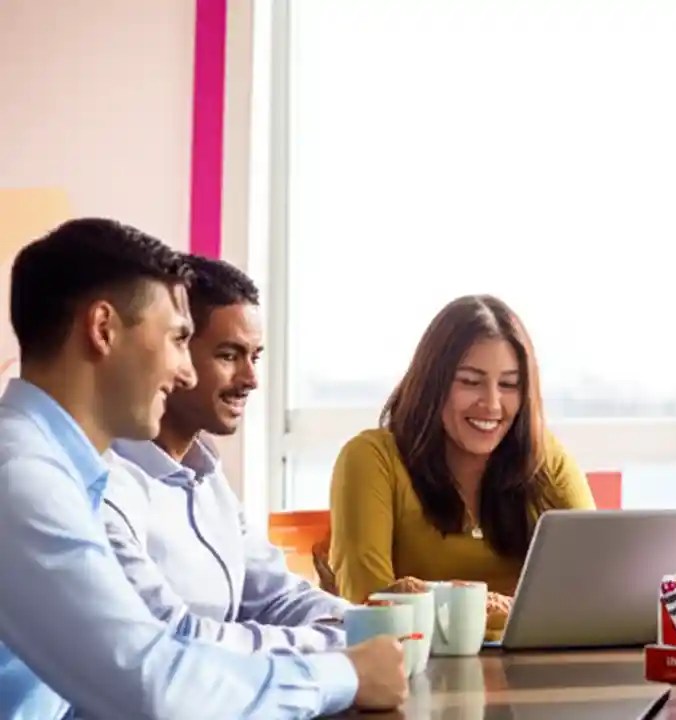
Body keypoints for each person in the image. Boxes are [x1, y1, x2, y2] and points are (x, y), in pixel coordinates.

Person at [0, 218, 405, 718]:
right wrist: (346, 673)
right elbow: (155, 682)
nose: (186, 371)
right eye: (176, 339)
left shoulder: (58, 469)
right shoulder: (21, 477)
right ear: (103, 330)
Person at [101, 255, 351, 653]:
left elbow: (276, 597)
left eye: (255, 356)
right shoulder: (108, 484)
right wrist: (329, 640)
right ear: (175, 351)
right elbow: (175, 641)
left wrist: (362, 624)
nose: (251, 379)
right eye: (229, 355)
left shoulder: (207, 475)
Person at [328, 294, 595, 612]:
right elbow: (368, 602)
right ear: (432, 383)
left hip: (532, 662)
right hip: (415, 661)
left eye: (509, 385)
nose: (492, 404)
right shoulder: (372, 459)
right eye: (470, 382)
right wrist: (499, 610)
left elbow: (595, 581)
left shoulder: (544, 459)